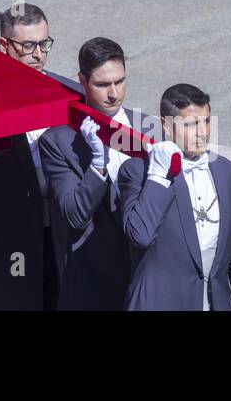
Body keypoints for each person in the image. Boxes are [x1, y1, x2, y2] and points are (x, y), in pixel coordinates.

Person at [0, 4, 77, 310]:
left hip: (57, 230)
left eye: (43, 44)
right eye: (27, 46)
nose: (38, 54)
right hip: (9, 240)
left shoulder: (65, 94)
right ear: (3, 45)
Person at [38, 37, 153, 310]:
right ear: (82, 80)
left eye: (120, 81)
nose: (114, 94)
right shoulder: (57, 142)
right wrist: (98, 165)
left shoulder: (150, 130)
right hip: (92, 284)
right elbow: (75, 215)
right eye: (102, 85)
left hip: (146, 279)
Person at [118, 84, 231, 311]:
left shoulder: (230, 173)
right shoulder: (138, 172)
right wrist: (158, 176)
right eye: (191, 124)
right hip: (159, 303)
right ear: (167, 126)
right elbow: (140, 235)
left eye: (207, 121)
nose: (203, 132)